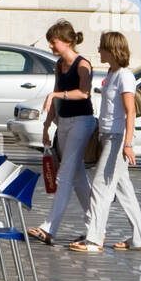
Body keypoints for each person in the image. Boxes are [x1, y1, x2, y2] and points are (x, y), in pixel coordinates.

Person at [69, 31, 141, 254]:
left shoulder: (125, 76)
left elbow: (130, 111)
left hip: (117, 140)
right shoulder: (112, 73)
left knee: (100, 188)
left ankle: (94, 239)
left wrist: (128, 143)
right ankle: (140, 238)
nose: (98, 51)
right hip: (106, 136)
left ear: (112, 50)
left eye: (102, 47)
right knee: (125, 192)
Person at [28, 20, 96, 246]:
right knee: (78, 179)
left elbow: (83, 93)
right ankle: (95, 227)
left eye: (53, 42)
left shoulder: (82, 63)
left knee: (64, 175)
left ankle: (49, 229)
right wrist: (47, 125)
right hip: (64, 122)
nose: (51, 46)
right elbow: (55, 93)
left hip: (82, 122)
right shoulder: (59, 65)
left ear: (66, 42)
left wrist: (57, 97)